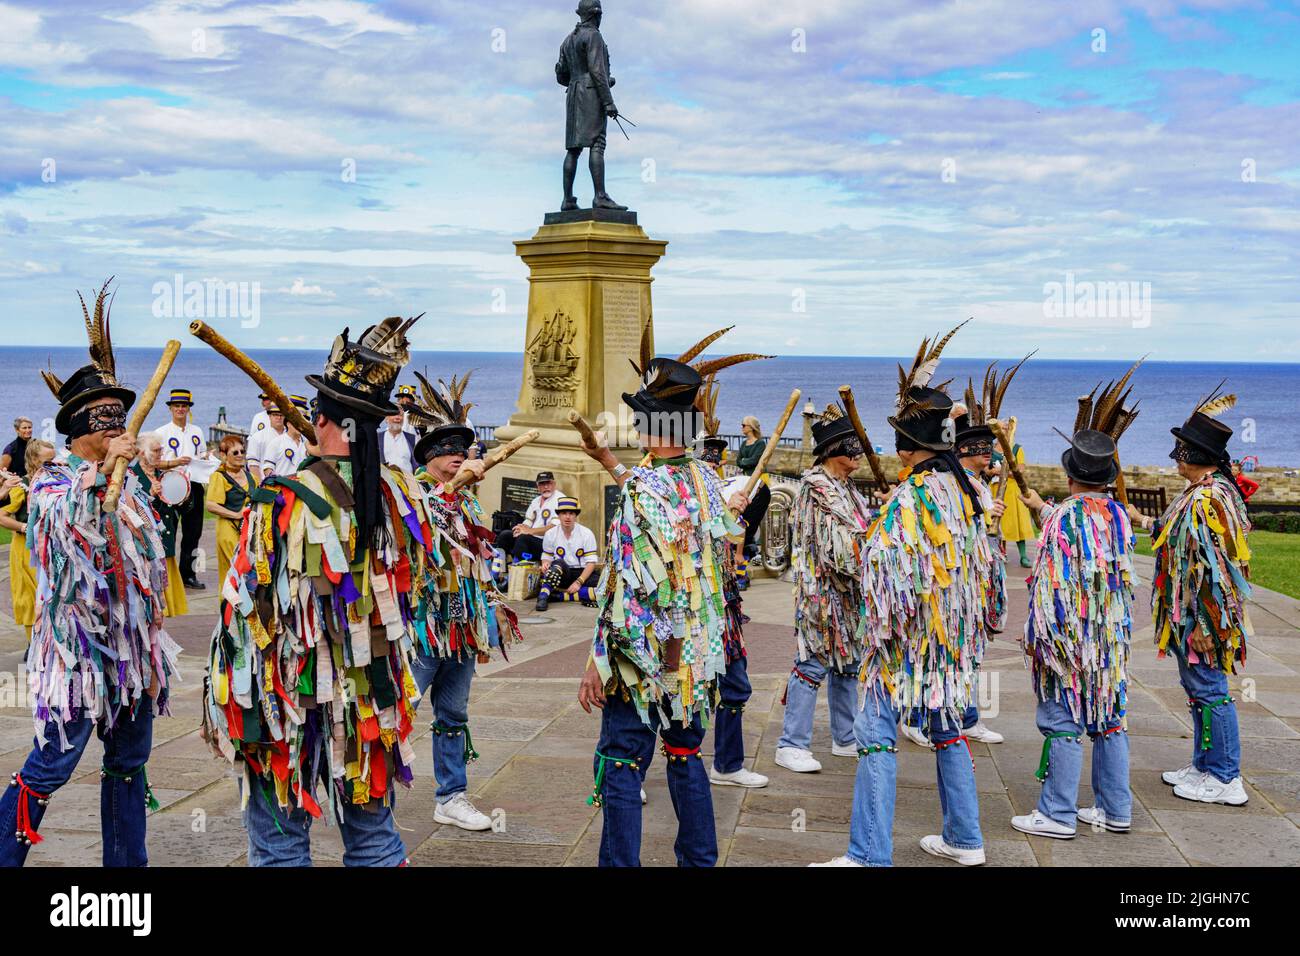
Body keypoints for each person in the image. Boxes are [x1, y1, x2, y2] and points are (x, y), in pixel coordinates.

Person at [201, 316, 429, 866]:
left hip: (291, 704)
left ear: (318, 418)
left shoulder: (280, 500)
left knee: (280, 845)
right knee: (374, 839)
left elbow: (244, 609)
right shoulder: (402, 495)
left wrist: (227, 694)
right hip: (369, 703)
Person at [1, 281, 180, 866]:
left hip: (130, 656)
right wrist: (105, 474)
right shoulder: (56, 480)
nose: (116, 430)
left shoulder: (128, 482)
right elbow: (59, 519)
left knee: (128, 764)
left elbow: (155, 538)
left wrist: (144, 475)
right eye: (105, 423)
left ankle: (127, 874)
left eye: (119, 420)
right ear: (78, 430)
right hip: (75, 656)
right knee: (50, 766)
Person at [817, 323, 992, 867]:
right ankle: (965, 839)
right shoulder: (967, 493)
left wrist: (864, 540)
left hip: (904, 644)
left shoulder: (914, 495)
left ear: (905, 447)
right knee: (947, 731)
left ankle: (869, 853)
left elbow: (883, 571)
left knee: (874, 737)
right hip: (951, 641)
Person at [576, 338, 749, 866]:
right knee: (685, 754)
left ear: (656, 428)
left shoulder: (640, 491)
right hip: (693, 656)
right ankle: (699, 860)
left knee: (623, 762)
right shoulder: (706, 481)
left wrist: (596, 662)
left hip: (643, 655)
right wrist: (604, 458)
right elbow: (661, 499)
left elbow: (626, 588)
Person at [1126, 388, 1253, 806]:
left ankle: (1225, 776)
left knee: (1212, 690)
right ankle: (1204, 763)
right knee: (1197, 688)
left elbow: (1212, 564)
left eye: (1181, 450)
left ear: (1197, 455)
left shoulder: (1208, 498)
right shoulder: (1204, 492)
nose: (1174, 457)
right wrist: (1143, 519)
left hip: (1204, 614)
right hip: (1188, 610)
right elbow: (1175, 533)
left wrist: (1204, 623)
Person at [407, 370, 521, 831]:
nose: (459, 457)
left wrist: (488, 609)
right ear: (429, 457)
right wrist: (444, 493)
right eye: (448, 451)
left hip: (460, 624)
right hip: (419, 625)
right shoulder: (409, 493)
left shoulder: (470, 503)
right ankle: (364, 790)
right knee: (398, 708)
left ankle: (450, 795)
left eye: (463, 450)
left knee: (453, 712)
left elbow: (478, 558)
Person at [1015, 429, 1138, 837]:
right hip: (1108, 638)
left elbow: (1051, 582)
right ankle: (1115, 808)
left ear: (1070, 478)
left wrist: (1040, 637)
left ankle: (1057, 813)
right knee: (1109, 717)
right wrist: (1041, 507)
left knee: (1061, 718)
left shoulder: (1065, 518)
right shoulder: (1118, 514)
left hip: (1068, 638)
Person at [774, 403, 874, 774]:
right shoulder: (818, 491)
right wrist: (873, 548)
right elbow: (838, 551)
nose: (860, 453)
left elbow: (858, 534)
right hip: (822, 595)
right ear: (836, 451)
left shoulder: (847, 489)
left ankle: (845, 736)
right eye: (855, 447)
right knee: (812, 663)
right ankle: (791, 743)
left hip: (848, 596)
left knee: (847, 664)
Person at [556, 0, 625, 212]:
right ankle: (600, 196)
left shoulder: (568, 40)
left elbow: (561, 76)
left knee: (573, 149)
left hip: (574, 95)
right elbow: (597, 72)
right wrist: (608, 101)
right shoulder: (593, 35)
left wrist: (579, 81)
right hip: (591, 96)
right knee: (597, 144)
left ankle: (567, 199)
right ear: (595, 15)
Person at [155, 387, 210, 590]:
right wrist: (174, 462)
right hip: (170, 483)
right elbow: (153, 462)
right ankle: (164, 575)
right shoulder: (161, 432)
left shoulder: (197, 431)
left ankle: (188, 574)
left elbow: (202, 454)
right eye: (177, 406)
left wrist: (205, 459)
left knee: (193, 532)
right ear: (170, 408)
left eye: (184, 406)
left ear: (188, 409)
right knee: (167, 531)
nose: (180, 409)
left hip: (194, 484)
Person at [0, 439, 54, 641]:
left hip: (49, 546)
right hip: (26, 547)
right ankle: (33, 643)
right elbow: (2, 517)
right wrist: (26, 528)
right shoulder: (20, 486)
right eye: (46, 462)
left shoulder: (56, 483)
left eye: (53, 460)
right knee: (29, 595)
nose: (51, 465)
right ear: (33, 460)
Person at [135, 433, 188, 618]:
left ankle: (163, 611)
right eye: (156, 450)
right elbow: (131, 508)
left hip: (166, 535)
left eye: (160, 450)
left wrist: (183, 497)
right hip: (146, 540)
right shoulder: (133, 476)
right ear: (141, 453)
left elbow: (176, 505)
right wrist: (150, 494)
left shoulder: (163, 475)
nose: (160, 453)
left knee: (166, 573)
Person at [203, 435, 254, 588]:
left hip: (249, 530)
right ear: (224, 455)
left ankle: (249, 609)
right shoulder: (219, 477)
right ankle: (230, 607)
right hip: (229, 528)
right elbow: (211, 505)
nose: (240, 455)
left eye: (242, 451)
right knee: (235, 568)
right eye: (235, 452)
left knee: (249, 569)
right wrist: (236, 515)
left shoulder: (251, 476)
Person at [535, 496, 600, 611]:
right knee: (558, 563)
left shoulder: (586, 533)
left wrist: (578, 582)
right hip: (562, 572)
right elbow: (547, 557)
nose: (567, 517)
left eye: (571, 513)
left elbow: (591, 563)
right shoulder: (550, 533)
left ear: (576, 516)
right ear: (559, 515)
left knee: (606, 589)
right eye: (564, 513)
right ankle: (543, 597)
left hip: (582, 573)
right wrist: (545, 563)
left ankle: (558, 596)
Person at [494, 471, 566, 569]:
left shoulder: (560, 499)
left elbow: (554, 527)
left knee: (523, 539)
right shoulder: (536, 501)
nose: (546, 487)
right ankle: (499, 573)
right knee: (505, 535)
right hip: (531, 538)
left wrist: (529, 531)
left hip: (548, 544)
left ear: (554, 484)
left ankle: (518, 573)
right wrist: (520, 529)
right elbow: (528, 520)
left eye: (548, 483)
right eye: (542, 484)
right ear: (538, 486)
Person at [992, 417, 1035, 567]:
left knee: (1018, 524)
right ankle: (1001, 553)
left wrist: (999, 470)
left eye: (1006, 428)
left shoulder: (1016, 448)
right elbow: (985, 469)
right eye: (1002, 428)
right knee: (999, 523)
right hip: (995, 491)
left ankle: (1023, 556)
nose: (1004, 431)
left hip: (1013, 490)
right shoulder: (990, 450)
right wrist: (1001, 471)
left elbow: (1020, 470)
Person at [735, 415, 772, 577]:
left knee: (749, 523)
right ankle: (741, 565)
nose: (742, 428)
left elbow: (755, 461)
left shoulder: (760, 444)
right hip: (745, 483)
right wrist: (745, 461)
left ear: (751, 427)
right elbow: (739, 461)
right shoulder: (744, 444)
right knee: (742, 521)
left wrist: (745, 461)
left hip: (758, 484)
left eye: (744, 425)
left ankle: (745, 560)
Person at [258, 395, 310, 479]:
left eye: (303, 423)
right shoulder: (276, 442)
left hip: (303, 488)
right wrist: (274, 478)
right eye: (297, 423)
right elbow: (268, 467)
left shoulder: (308, 444)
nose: (300, 426)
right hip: (284, 488)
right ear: (288, 423)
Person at [246, 404, 286, 484]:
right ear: (269, 416)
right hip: (266, 483)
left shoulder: (290, 436)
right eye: (275, 415)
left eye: (281, 415)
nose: (279, 418)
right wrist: (260, 485)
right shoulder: (257, 437)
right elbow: (253, 465)